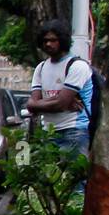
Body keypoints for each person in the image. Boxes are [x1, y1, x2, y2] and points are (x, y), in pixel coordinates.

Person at [26, 19, 94, 159]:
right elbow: (31, 105)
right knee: (49, 179)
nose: (48, 44)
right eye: (45, 41)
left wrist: (51, 103)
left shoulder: (77, 66)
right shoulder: (41, 68)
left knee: (73, 178)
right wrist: (59, 100)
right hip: (48, 132)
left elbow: (59, 104)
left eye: (53, 40)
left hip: (74, 131)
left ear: (62, 41)